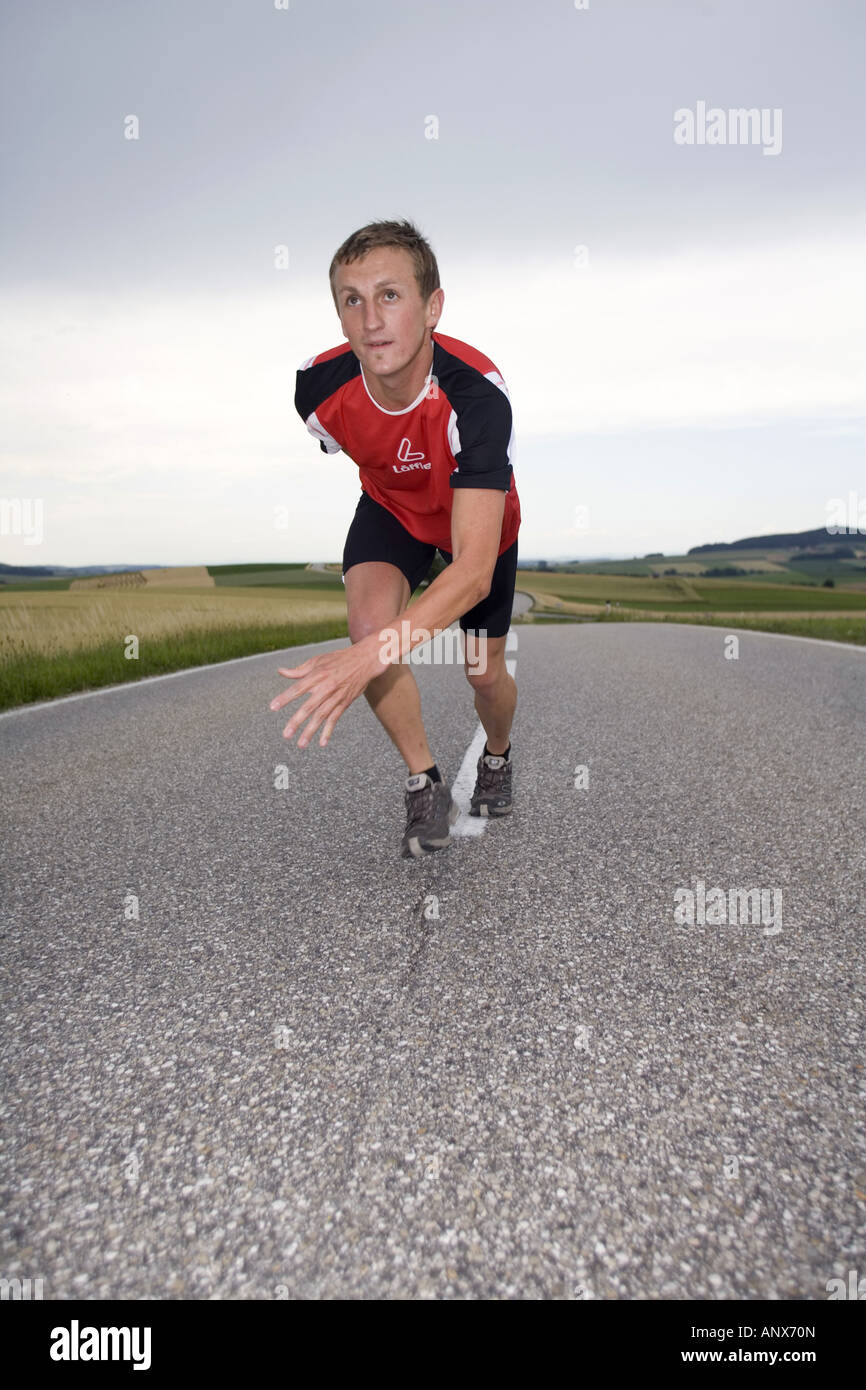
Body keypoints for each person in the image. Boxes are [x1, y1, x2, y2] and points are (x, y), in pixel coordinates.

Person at [270, 218, 521, 858]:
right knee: (369, 628)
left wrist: (365, 661)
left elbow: (471, 573)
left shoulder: (478, 397)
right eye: (351, 299)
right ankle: (425, 781)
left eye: (389, 295)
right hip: (394, 510)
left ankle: (497, 754)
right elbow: (355, 444)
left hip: (473, 524)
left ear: (432, 307)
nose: (370, 319)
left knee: (482, 674)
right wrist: (372, 645)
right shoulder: (317, 390)